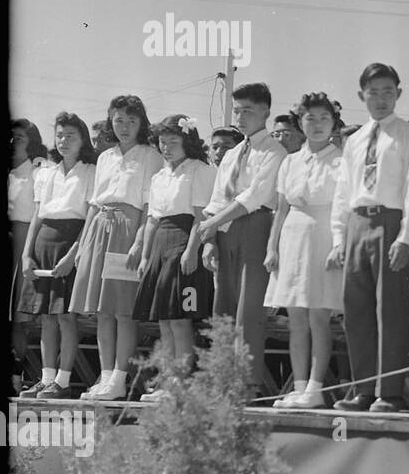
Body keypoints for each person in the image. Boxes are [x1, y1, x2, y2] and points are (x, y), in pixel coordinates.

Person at [329, 64, 409, 413]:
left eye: (388, 91)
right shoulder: (354, 140)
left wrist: (406, 238)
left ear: (399, 94)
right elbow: (343, 191)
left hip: (390, 223)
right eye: (373, 92)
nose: (381, 99)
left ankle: (390, 392)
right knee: (356, 311)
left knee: (391, 309)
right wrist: (339, 238)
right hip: (358, 222)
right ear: (361, 96)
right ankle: (363, 389)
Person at [70, 96, 163, 401]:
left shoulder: (150, 155)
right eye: (119, 119)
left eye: (132, 120)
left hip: (128, 228)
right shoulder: (105, 156)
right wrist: (84, 244)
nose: (124, 126)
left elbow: (151, 202)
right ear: (110, 121)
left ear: (142, 123)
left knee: (123, 310)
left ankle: (121, 378)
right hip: (100, 228)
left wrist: (139, 239)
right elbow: (96, 202)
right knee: (102, 310)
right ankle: (105, 375)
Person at [199, 83, 286, 395]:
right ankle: (221, 378)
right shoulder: (233, 153)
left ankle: (247, 383)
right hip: (225, 230)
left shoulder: (274, 151)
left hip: (256, 225)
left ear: (265, 112)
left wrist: (213, 223)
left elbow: (256, 195)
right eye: (237, 110)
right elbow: (217, 198)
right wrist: (210, 238)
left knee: (249, 310)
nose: (241, 116)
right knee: (223, 306)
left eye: (248, 110)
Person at [266, 93, 346, 409]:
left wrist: (339, 245)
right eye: (310, 118)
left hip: (323, 235)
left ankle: (315, 387)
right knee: (295, 317)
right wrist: (272, 248)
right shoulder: (290, 161)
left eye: (324, 118)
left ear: (333, 123)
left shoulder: (341, 161)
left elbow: (343, 207)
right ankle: (298, 387)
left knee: (318, 316)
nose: (316, 125)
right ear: (301, 122)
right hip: (292, 237)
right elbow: (281, 209)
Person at [133, 115, 216, 390]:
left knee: (181, 319)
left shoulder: (198, 170)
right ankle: (167, 379)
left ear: (186, 142)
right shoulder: (159, 176)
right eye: (162, 142)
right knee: (164, 321)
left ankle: (182, 381)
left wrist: (192, 250)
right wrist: (145, 256)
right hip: (160, 245)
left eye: (173, 141)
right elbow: (152, 220)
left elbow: (199, 215)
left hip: (184, 242)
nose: (166, 147)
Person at [18, 113, 98, 398]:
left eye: (71, 136)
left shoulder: (91, 171)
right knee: (46, 318)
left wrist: (73, 255)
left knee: (66, 316)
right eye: (60, 135)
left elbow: (90, 216)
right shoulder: (45, 172)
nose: (64, 141)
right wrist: (27, 255)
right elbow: (37, 216)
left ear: (83, 140)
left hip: (71, 243)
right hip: (43, 243)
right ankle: (46, 377)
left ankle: (63, 382)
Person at [10, 119, 50, 391]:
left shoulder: (38, 171)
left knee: (16, 318)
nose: (12, 142)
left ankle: (14, 376)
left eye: (20, 138)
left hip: (22, 243)